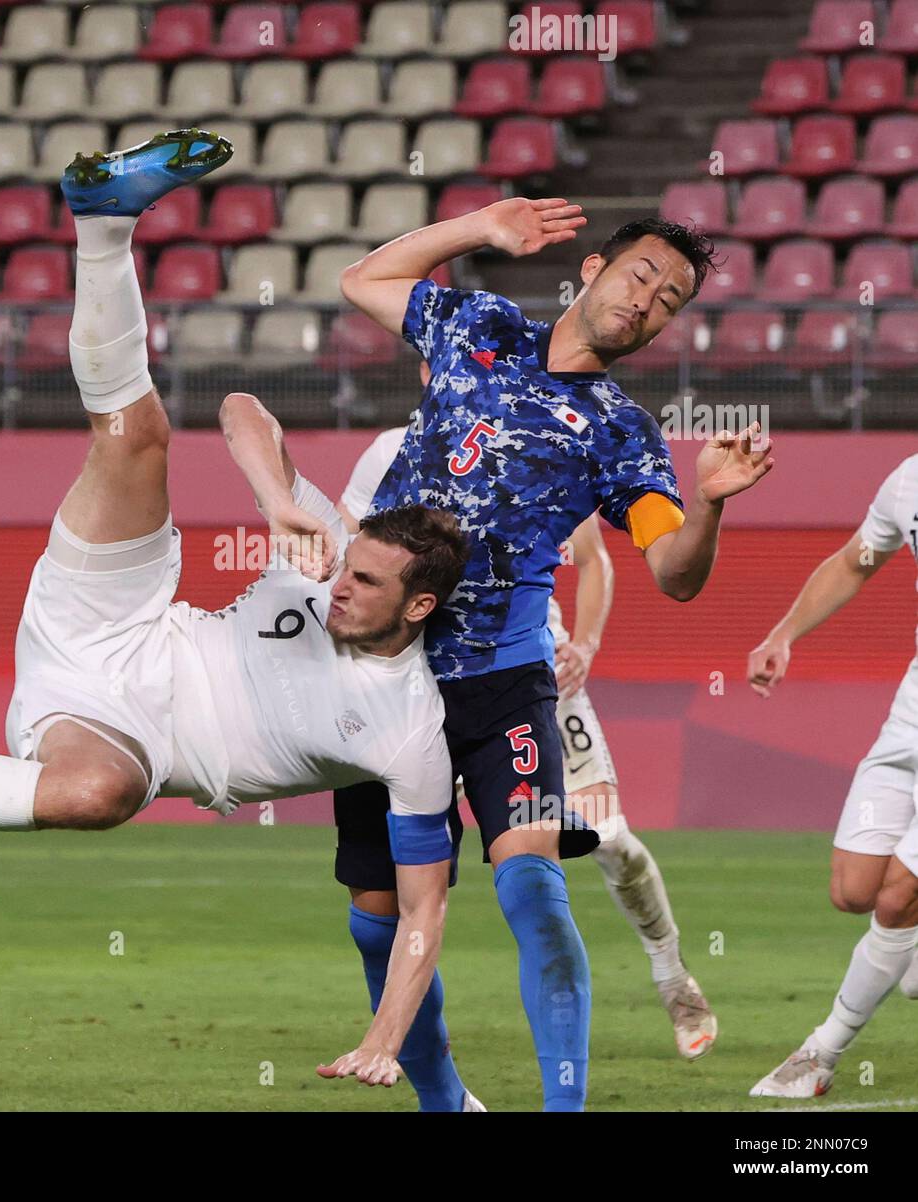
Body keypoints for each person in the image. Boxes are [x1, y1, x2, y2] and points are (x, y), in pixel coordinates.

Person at [0, 129, 475, 1091]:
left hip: (127, 736)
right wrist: (281, 499)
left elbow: (424, 916)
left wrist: (382, 1039)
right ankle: (105, 222)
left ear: (417, 606)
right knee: (135, 435)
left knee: (97, 799)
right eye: (347, 569)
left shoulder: (411, 730)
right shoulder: (333, 545)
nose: (340, 586)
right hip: (124, 619)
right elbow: (244, 408)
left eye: (365, 587)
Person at [335, 203, 775, 1110]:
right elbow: (362, 280)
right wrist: (477, 227)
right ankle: (444, 1101)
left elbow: (675, 575)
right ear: (594, 269)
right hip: (384, 679)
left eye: (672, 300)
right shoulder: (480, 325)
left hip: (505, 687)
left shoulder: (622, 434)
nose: (650, 300)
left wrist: (712, 507)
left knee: (536, 892)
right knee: (379, 926)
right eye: (643, 274)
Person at [339, 405, 717, 1069]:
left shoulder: (546, 456)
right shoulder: (393, 452)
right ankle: (433, 1073)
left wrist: (589, 644)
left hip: (532, 678)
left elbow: (596, 561)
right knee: (405, 881)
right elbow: (356, 548)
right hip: (422, 686)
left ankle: (671, 972)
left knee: (611, 839)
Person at [748, 454, 918, 1099]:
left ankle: (819, 1054)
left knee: (899, 899)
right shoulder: (906, 478)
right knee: (854, 889)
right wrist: (785, 633)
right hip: (912, 709)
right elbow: (855, 561)